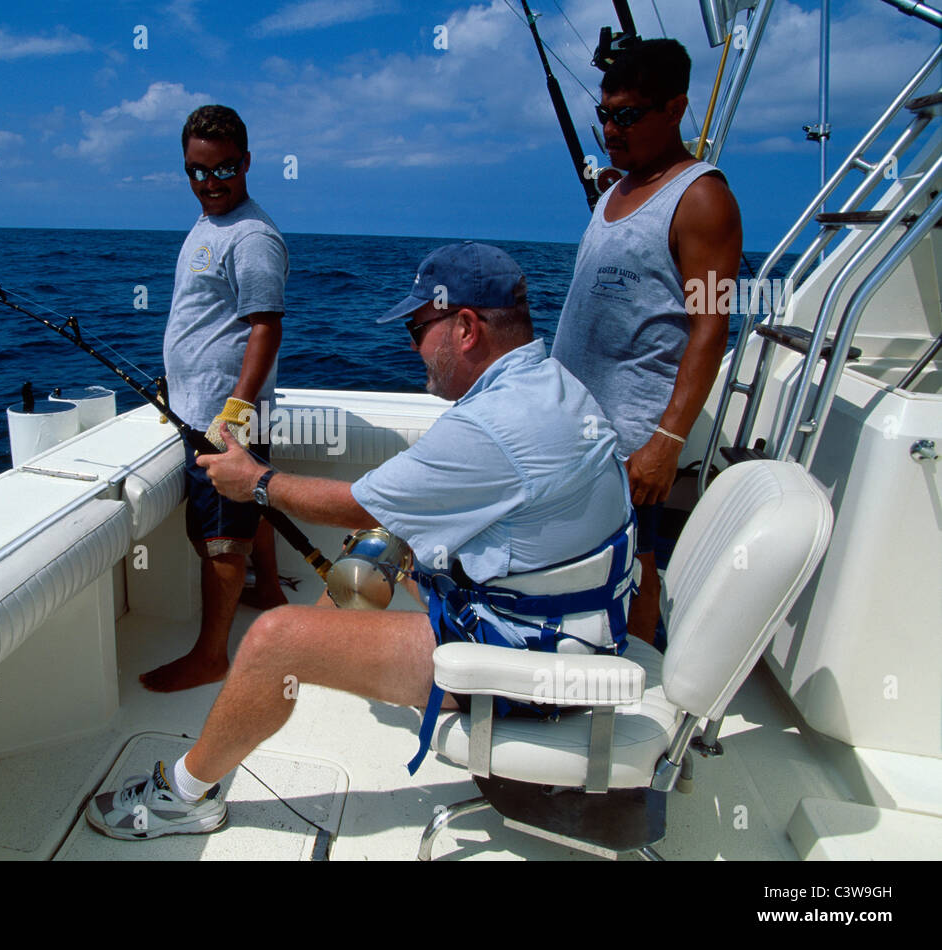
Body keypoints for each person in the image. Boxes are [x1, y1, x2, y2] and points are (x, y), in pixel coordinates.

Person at [86, 242, 633, 840]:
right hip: (575, 624)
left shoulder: (490, 427)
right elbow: (392, 520)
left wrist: (254, 482)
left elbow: (356, 504)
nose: (411, 345)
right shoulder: (551, 383)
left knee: (274, 638)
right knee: (382, 545)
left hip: (532, 664)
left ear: (467, 327)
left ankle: (186, 797)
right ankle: (316, 662)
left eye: (417, 327)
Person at [550, 38, 743, 645]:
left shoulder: (703, 199)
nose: (610, 129)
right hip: (573, 425)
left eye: (627, 115)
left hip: (631, 437)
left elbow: (712, 328)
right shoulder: (616, 188)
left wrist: (666, 442)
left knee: (636, 564)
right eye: (604, 115)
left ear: (675, 108)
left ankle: (640, 679)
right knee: (576, 560)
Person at [141, 104, 289, 693]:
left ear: (246, 162)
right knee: (250, 503)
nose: (211, 183)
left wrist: (237, 409)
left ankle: (211, 656)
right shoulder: (208, 223)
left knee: (221, 532)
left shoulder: (253, 236)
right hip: (199, 404)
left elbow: (265, 326)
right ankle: (272, 591)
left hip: (225, 416)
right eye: (197, 172)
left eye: (224, 169)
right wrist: (174, 385)